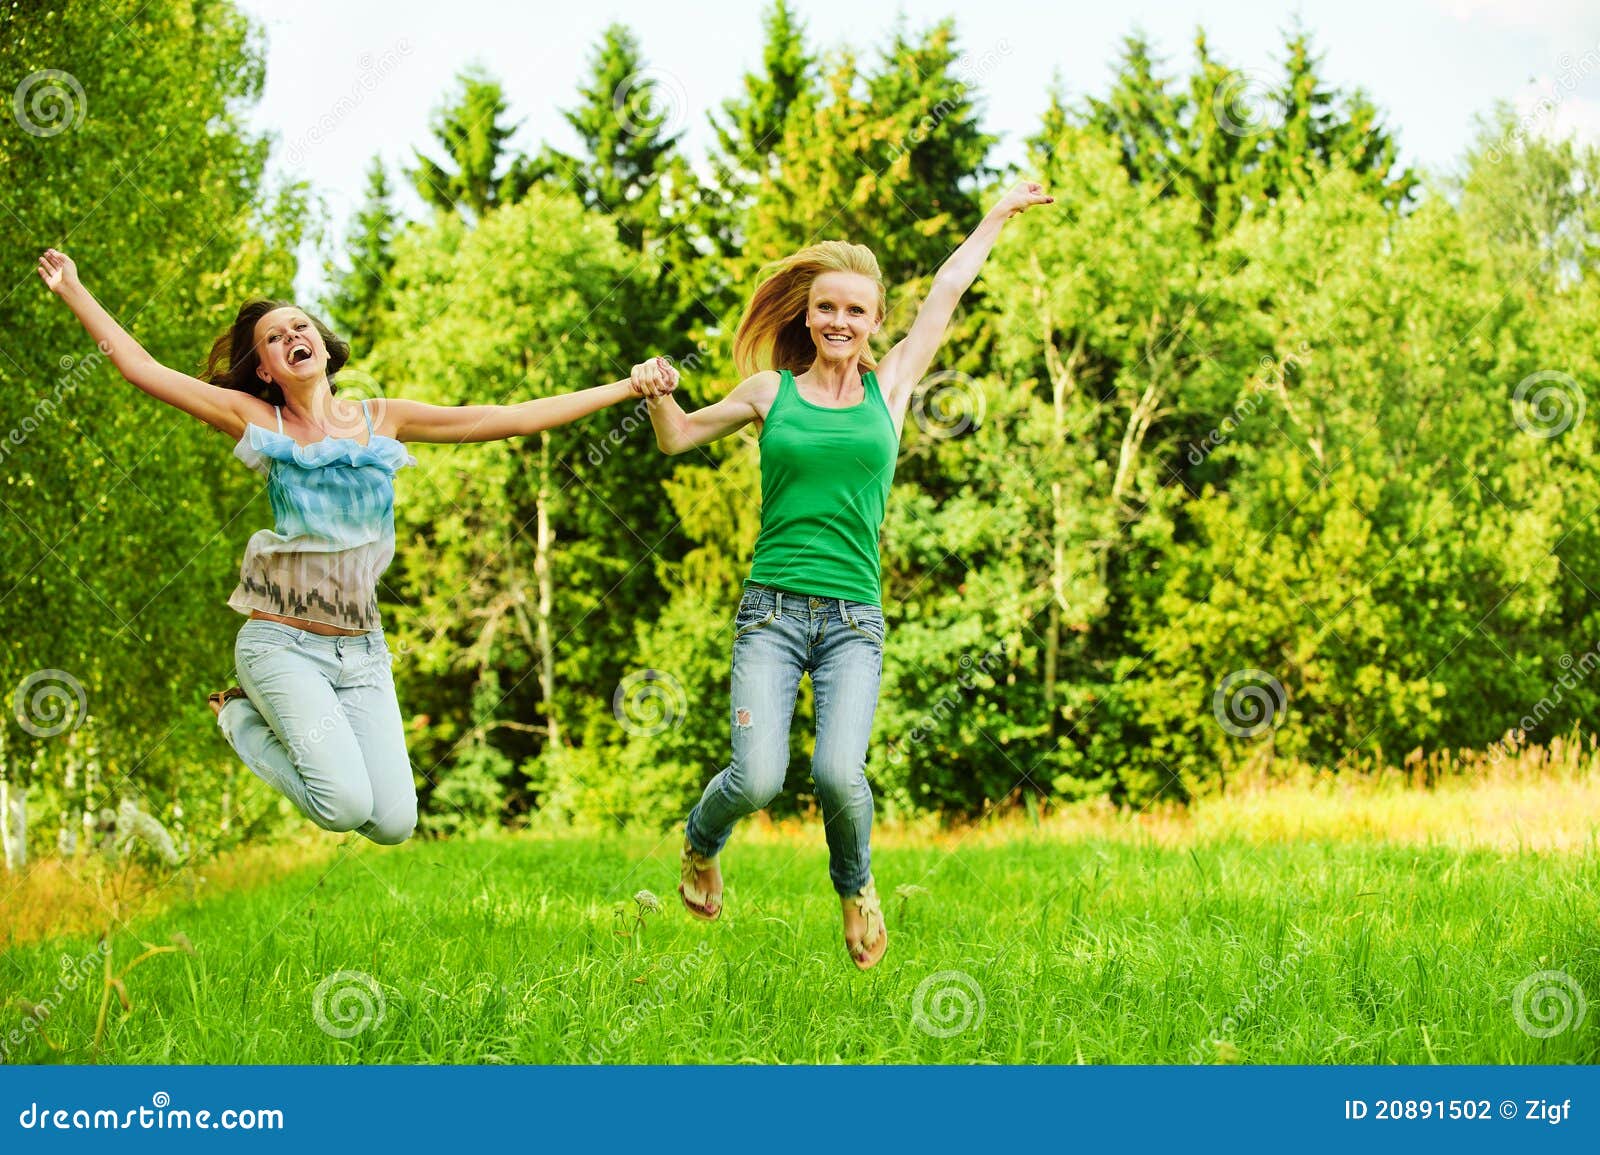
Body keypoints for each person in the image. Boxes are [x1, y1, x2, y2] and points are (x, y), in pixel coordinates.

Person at [37, 248, 674, 845]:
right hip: (282, 641)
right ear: (264, 368)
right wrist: (75, 289)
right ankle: (240, 719)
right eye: (276, 339)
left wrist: (626, 388)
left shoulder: (383, 418)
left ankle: (279, 730)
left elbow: (510, 416)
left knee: (393, 822)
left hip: (362, 650)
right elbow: (141, 368)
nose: (293, 339)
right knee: (341, 806)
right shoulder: (257, 420)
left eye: (300, 327)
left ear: (320, 343)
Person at [635, 180, 1053, 968]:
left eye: (856, 311)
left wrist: (997, 214)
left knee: (838, 773)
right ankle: (701, 842)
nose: (839, 321)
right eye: (827, 307)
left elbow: (949, 288)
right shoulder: (771, 392)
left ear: (874, 324)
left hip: (854, 619)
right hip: (770, 613)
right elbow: (678, 437)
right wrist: (659, 395)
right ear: (807, 314)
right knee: (757, 778)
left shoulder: (889, 387)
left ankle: (856, 884)